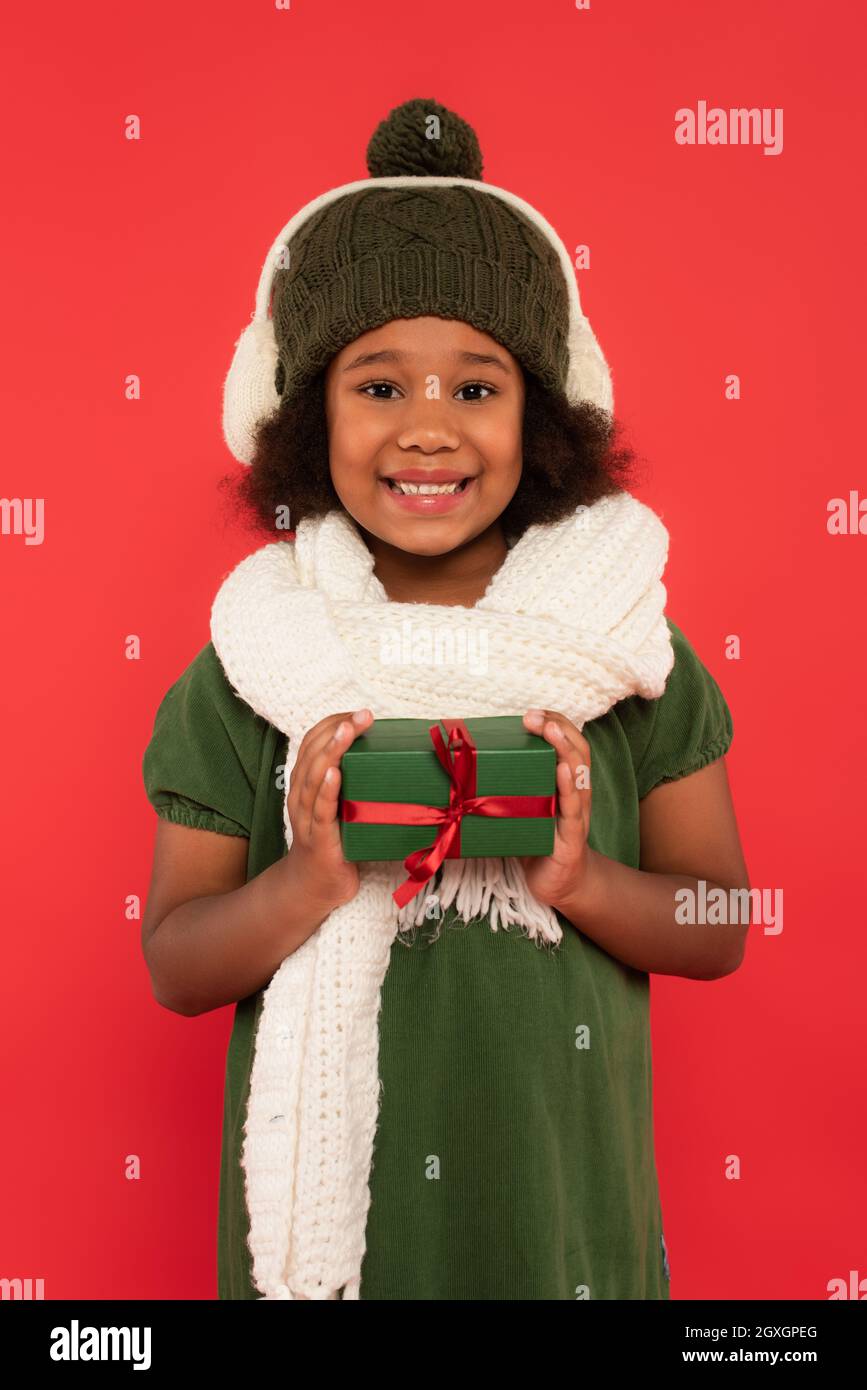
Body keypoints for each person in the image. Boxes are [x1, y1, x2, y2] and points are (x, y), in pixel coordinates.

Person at [141, 97, 750, 1301]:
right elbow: (175, 959)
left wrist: (581, 881)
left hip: (564, 1228)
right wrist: (309, 878)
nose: (427, 428)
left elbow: (723, 918)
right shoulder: (256, 662)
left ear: (544, 415)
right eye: (378, 387)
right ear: (308, 417)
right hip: (346, 1257)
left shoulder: (624, 650)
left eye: (476, 390)